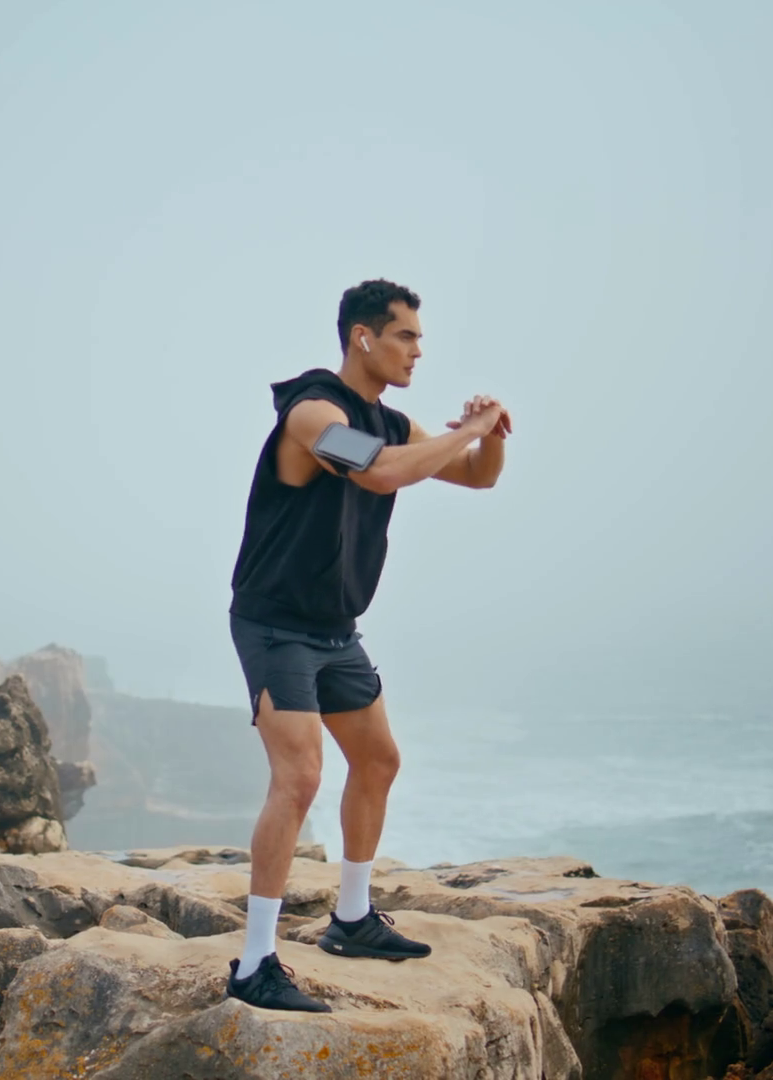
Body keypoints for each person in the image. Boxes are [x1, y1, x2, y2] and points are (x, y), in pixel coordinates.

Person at [223, 278, 512, 1012]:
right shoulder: (311, 413)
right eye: (406, 336)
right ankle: (254, 962)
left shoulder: (394, 422)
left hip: (335, 629)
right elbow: (379, 474)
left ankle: (350, 919)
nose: (419, 349)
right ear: (363, 337)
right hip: (275, 624)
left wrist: (491, 434)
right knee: (299, 777)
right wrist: (463, 432)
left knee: (379, 760)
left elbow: (477, 478)